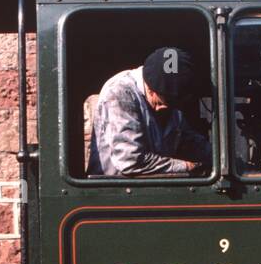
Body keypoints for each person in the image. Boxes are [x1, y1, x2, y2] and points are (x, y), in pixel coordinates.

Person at [87, 47, 211, 177]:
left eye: (171, 104)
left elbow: (187, 140)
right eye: (160, 102)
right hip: (115, 191)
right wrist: (187, 166)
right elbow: (130, 161)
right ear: (150, 88)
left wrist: (216, 157)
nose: (162, 109)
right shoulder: (120, 93)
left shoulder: (173, 98)